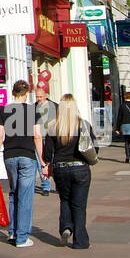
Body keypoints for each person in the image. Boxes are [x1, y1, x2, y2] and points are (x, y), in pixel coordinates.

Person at [0, 79, 44, 248]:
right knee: (25, 197)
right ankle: (22, 237)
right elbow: (37, 135)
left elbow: (0, 136)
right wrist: (41, 159)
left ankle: (13, 231)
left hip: (10, 156)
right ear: (26, 93)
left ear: (13, 92)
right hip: (27, 156)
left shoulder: (4, 110)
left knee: (14, 193)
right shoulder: (32, 111)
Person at [41, 93, 94, 249]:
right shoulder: (83, 125)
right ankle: (81, 241)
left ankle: (66, 227)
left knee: (65, 200)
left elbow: (47, 154)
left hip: (60, 169)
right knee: (79, 205)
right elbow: (93, 147)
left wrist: (47, 165)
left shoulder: (52, 126)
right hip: (80, 168)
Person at [33, 79, 58, 195]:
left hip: (52, 139)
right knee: (41, 163)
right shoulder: (33, 108)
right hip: (39, 139)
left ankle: (59, 183)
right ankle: (46, 186)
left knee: (53, 161)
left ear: (46, 95)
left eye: (41, 96)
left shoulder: (55, 107)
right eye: (37, 96)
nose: (39, 99)